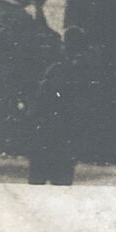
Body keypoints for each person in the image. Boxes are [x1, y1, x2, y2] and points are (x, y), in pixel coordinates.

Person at [27, 26, 91, 186]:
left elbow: (41, 100)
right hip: (68, 137)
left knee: (37, 182)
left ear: (66, 46)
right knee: (62, 183)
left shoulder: (57, 69)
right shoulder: (86, 70)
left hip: (48, 135)